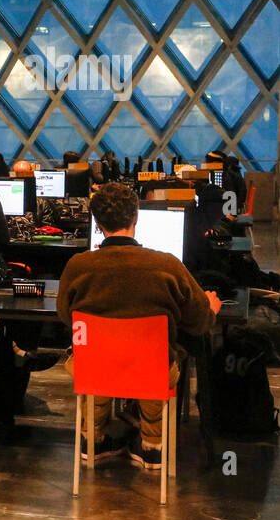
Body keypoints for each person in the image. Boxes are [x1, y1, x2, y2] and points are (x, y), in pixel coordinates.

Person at [57, 183, 220, 468]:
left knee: (95, 358)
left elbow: (64, 315)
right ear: (136, 217)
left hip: (93, 367)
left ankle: (92, 440)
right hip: (151, 370)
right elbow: (198, 322)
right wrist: (212, 309)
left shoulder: (77, 265)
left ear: (97, 223)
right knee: (161, 357)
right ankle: (152, 446)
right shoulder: (167, 265)